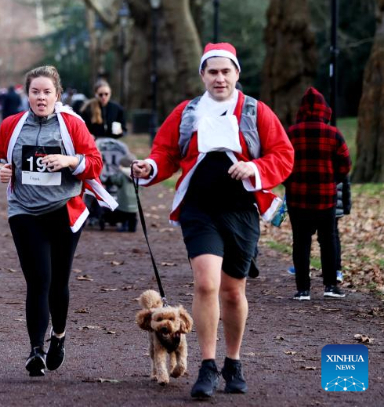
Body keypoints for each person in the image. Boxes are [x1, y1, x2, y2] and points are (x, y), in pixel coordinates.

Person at [131, 43, 294, 398]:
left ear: (236, 73)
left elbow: (283, 154)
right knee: (206, 284)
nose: (219, 78)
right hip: (199, 208)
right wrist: (150, 167)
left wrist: (255, 166)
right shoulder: (187, 111)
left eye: (226, 71)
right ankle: (206, 366)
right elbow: (166, 152)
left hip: (241, 210)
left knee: (233, 292)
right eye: (212, 71)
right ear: (203, 75)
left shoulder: (255, 110)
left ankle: (232, 362)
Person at [0, 65, 116, 377]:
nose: (41, 97)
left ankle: (58, 337)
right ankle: (36, 350)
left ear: (57, 95)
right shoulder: (11, 125)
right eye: (35, 92)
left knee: (58, 282)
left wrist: (70, 160)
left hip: (63, 211)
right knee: (38, 281)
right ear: (27, 94)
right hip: (24, 212)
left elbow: (95, 162)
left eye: (47, 92)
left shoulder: (72, 124)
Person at [284, 87, 351, 301]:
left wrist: (289, 182)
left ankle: (303, 289)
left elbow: (281, 162)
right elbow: (345, 163)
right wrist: (332, 181)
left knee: (301, 241)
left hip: (297, 196)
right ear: (325, 110)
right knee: (328, 240)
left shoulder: (291, 133)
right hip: (325, 196)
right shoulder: (333, 134)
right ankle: (330, 285)